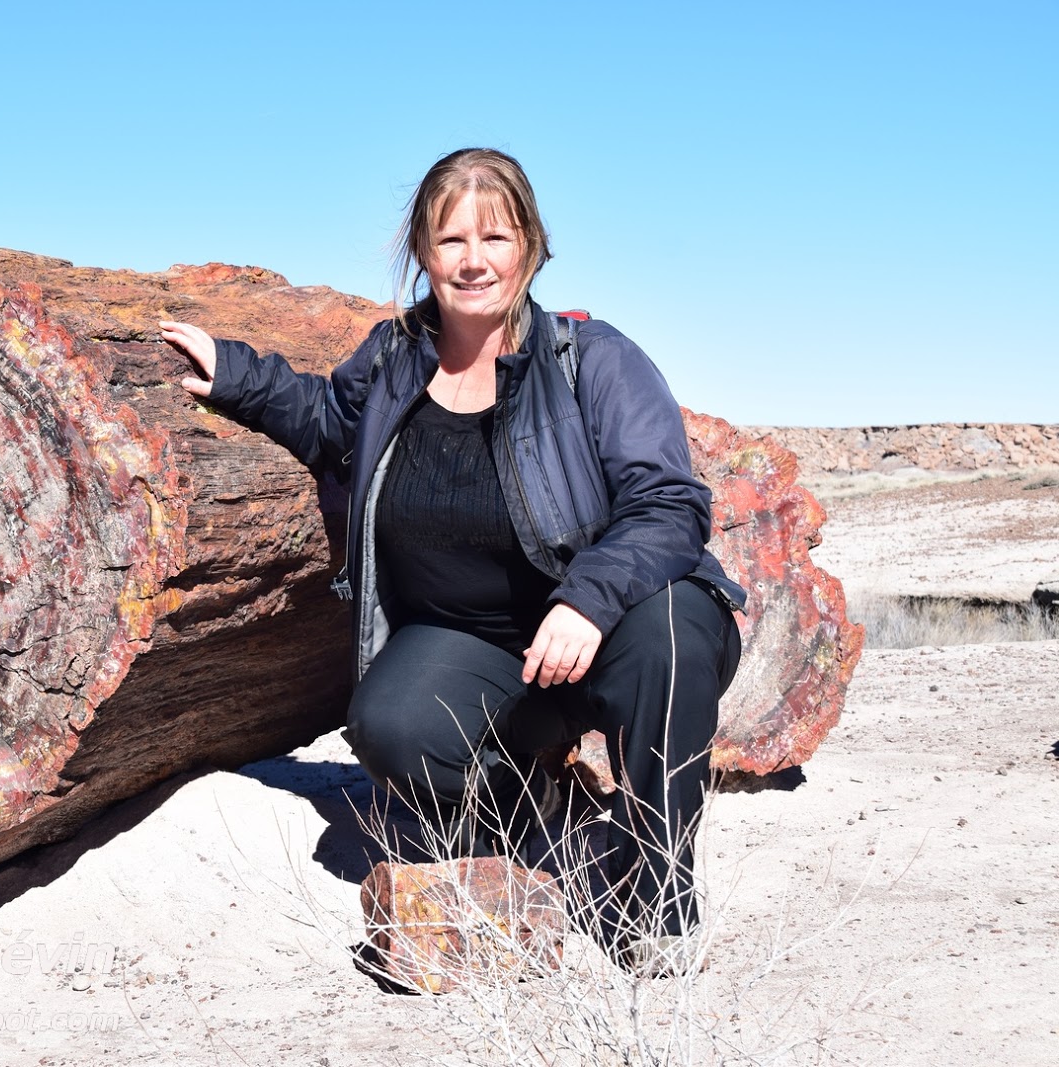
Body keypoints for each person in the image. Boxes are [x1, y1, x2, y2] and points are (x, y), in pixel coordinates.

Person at [159, 147, 745, 971]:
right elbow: (330, 424)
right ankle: (544, 805)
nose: (474, 261)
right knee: (389, 725)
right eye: (451, 241)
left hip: (608, 635)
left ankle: (655, 897)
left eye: (495, 237)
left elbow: (671, 504)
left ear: (530, 246)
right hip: (480, 652)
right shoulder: (395, 358)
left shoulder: (594, 360)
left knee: (674, 628)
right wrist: (238, 376)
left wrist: (588, 598)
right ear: (424, 256)